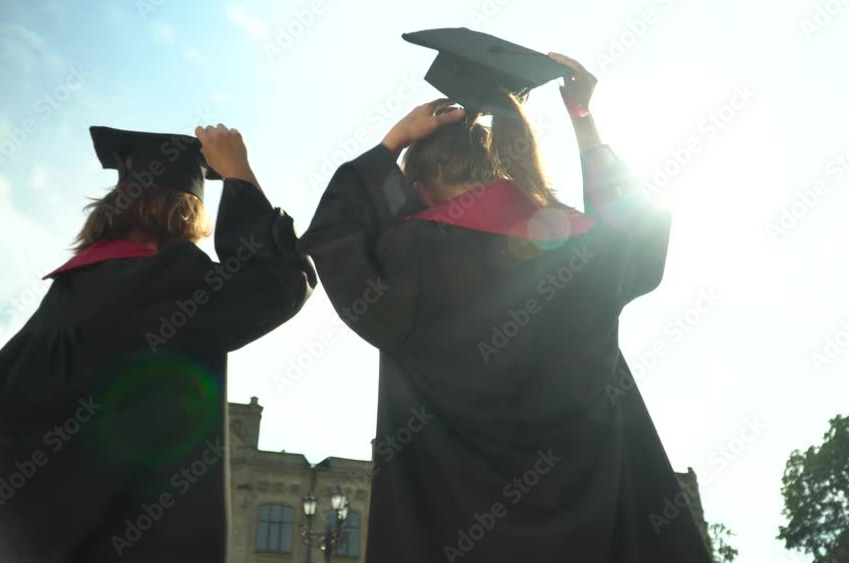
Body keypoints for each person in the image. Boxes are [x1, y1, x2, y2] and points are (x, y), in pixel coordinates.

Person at [299, 36, 712, 563]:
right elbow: (637, 231)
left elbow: (336, 236)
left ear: (420, 188)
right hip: (595, 536)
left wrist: (390, 145)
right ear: (499, 169)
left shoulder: (409, 256)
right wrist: (582, 118)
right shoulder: (584, 250)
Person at [0, 124, 316, 563]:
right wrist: (239, 174)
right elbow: (279, 284)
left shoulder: (70, 295)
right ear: (182, 213)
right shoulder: (157, 280)